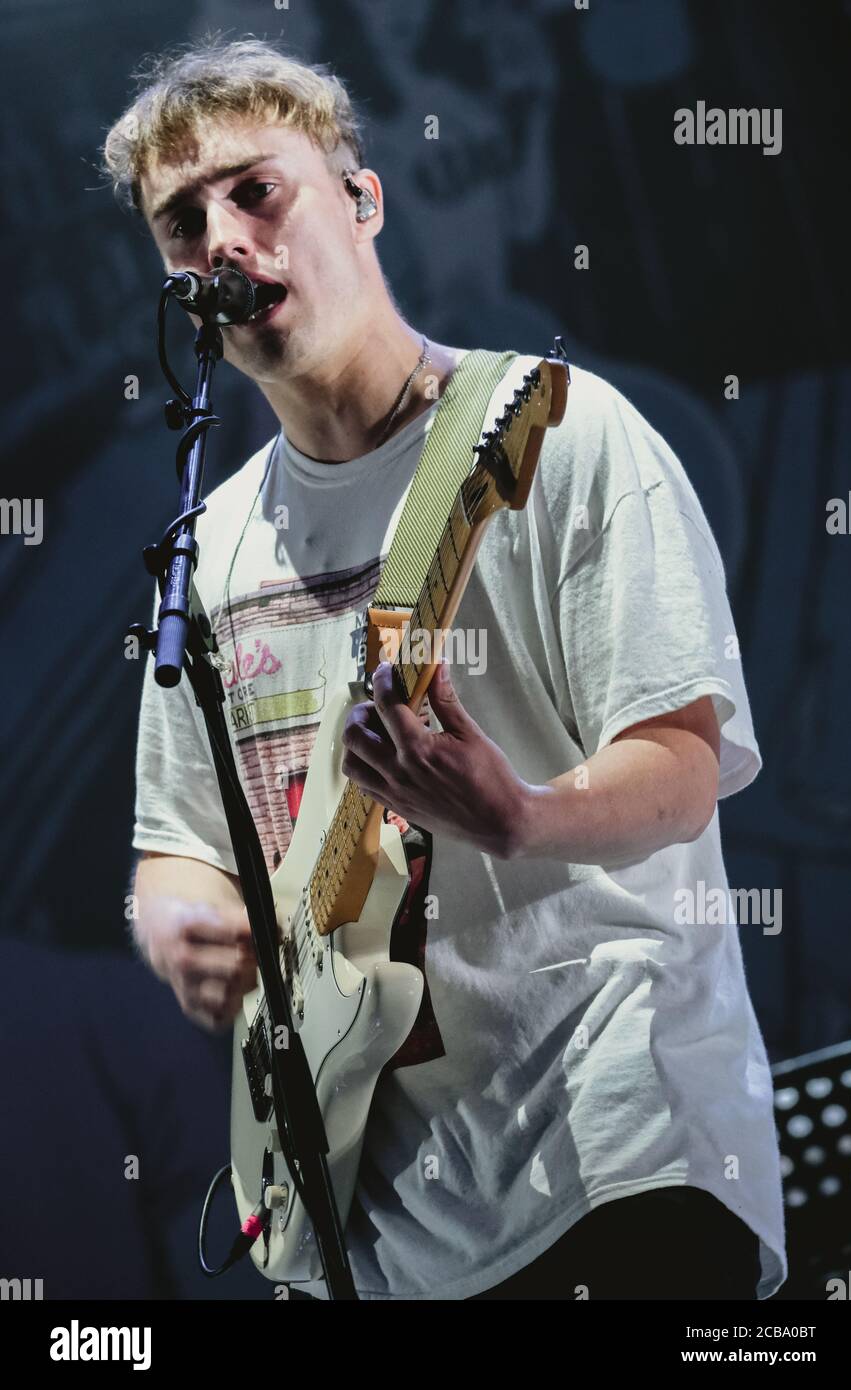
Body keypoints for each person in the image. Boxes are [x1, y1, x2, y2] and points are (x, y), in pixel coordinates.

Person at [103, 36, 786, 1301]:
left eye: (257, 190)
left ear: (361, 200)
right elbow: (176, 843)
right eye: (183, 221)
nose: (224, 241)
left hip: (608, 1153)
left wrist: (523, 816)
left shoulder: (558, 430)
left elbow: (684, 762)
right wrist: (183, 925)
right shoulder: (210, 550)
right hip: (364, 1215)